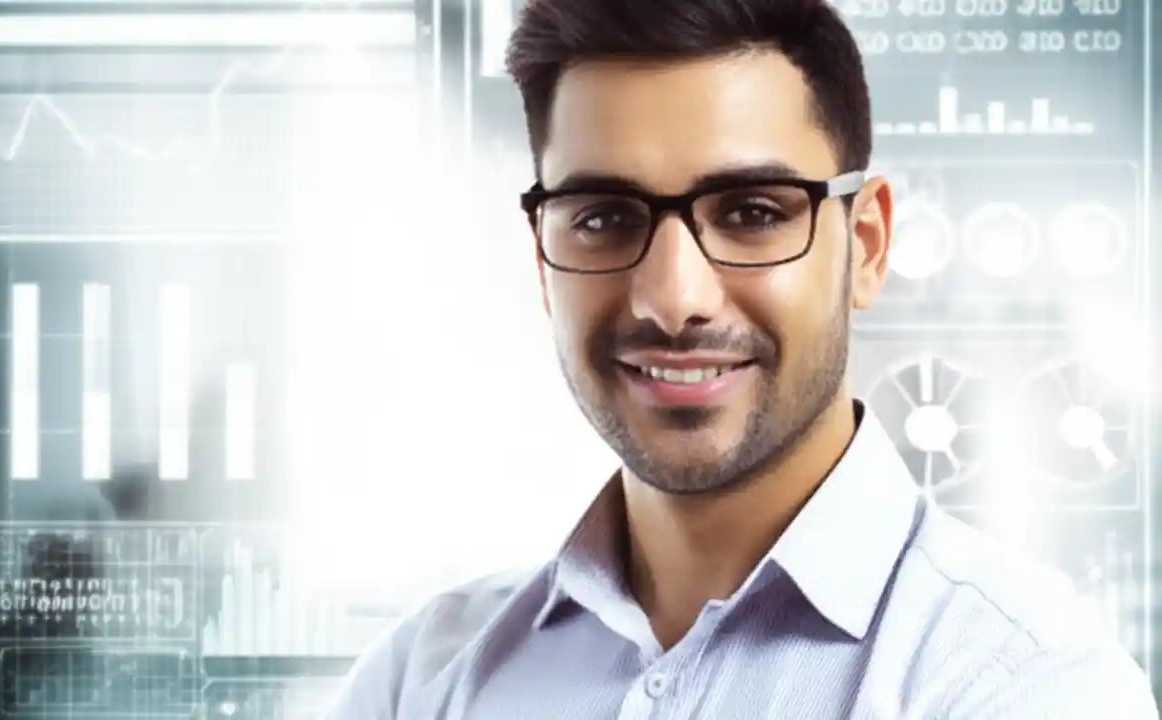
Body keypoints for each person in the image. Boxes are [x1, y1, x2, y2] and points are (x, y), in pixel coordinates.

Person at [326, 0, 1158, 716]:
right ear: (545, 261)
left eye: (753, 212)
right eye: (604, 218)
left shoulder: (1024, 687)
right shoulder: (420, 682)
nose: (672, 297)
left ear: (864, 245)